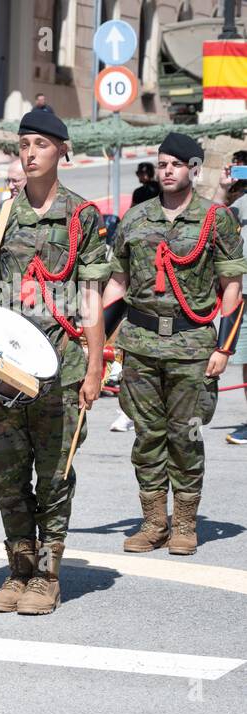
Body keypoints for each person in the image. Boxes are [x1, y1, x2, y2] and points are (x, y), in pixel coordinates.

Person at [0, 110, 109, 615]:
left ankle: (46, 574)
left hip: (62, 370)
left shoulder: (81, 217)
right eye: (23, 143)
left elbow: (89, 295)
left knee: (53, 476)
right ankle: (18, 569)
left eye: (41, 144)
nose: (29, 152)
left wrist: (94, 366)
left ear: (62, 152)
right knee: (6, 476)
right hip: (5, 373)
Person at [103, 132, 243, 556]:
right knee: (147, 436)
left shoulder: (215, 219)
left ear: (193, 169)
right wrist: (98, 343)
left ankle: (184, 522)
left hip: (191, 345)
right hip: (141, 344)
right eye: (162, 164)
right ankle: (152, 522)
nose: (166, 171)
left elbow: (233, 285)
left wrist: (223, 349)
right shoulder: (136, 217)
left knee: (187, 435)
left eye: (175, 165)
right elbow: (118, 282)